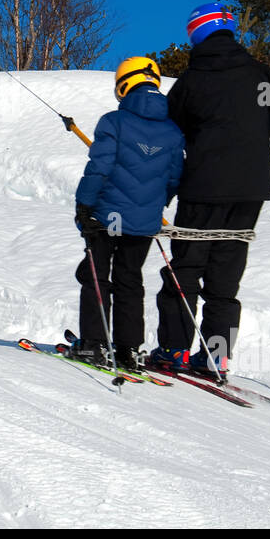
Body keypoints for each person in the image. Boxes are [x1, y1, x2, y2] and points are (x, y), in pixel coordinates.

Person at [149, 2, 270, 382]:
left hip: (203, 188)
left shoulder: (190, 83)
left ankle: (174, 348)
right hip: (250, 192)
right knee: (226, 275)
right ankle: (216, 355)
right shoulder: (261, 77)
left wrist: (156, 190)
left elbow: (169, 139)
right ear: (229, 30)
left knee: (185, 269)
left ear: (195, 35)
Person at [71, 57, 184, 371]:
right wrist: (154, 204)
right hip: (144, 221)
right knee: (130, 280)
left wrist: (84, 205)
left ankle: (94, 344)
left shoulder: (113, 122)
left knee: (95, 275)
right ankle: (128, 349)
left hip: (106, 215)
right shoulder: (173, 131)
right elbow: (174, 178)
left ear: (123, 84)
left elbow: (100, 167)